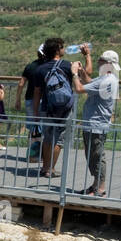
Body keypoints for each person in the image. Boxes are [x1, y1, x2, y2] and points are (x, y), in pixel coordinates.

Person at [30, 38, 89, 178]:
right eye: (62, 47)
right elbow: (87, 76)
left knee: (48, 137)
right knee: (59, 139)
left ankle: (45, 168)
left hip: (47, 107)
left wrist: (36, 111)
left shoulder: (40, 69)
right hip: (65, 108)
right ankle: (51, 169)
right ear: (57, 50)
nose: (64, 49)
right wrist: (87, 56)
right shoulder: (67, 65)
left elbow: (37, 92)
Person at [78, 49, 120, 195]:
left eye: (100, 60)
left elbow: (79, 88)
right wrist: (85, 60)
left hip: (97, 124)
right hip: (94, 123)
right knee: (93, 155)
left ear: (107, 64)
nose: (98, 62)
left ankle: (100, 188)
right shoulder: (107, 78)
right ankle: (95, 185)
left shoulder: (106, 81)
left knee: (97, 156)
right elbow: (88, 82)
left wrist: (72, 73)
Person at [19, 44, 48, 161]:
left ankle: (31, 154)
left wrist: (17, 99)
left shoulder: (30, 66)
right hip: (44, 99)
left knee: (32, 127)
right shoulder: (48, 67)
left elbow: (21, 83)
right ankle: (40, 155)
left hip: (30, 99)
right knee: (43, 127)